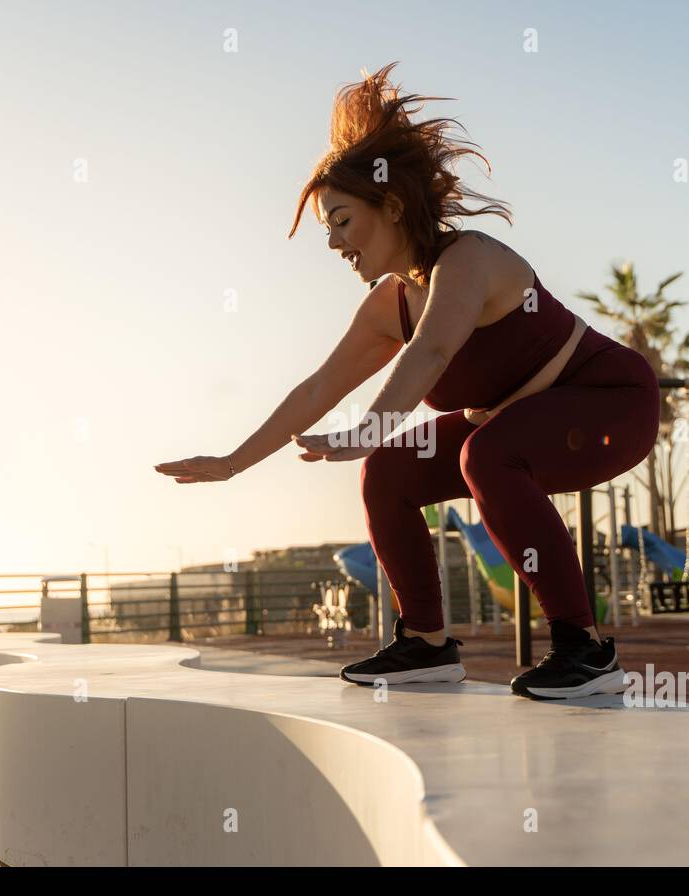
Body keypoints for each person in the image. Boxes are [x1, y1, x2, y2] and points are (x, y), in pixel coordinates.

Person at [155, 62, 659, 700]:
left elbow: (432, 351)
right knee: (390, 469)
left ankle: (584, 651)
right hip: (513, 426)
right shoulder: (387, 304)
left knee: (486, 454)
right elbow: (316, 391)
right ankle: (425, 646)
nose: (335, 243)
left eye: (341, 220)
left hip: (610, 405)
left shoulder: (470, 259)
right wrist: (233, 463)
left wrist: (368, 427)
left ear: (391, 205)